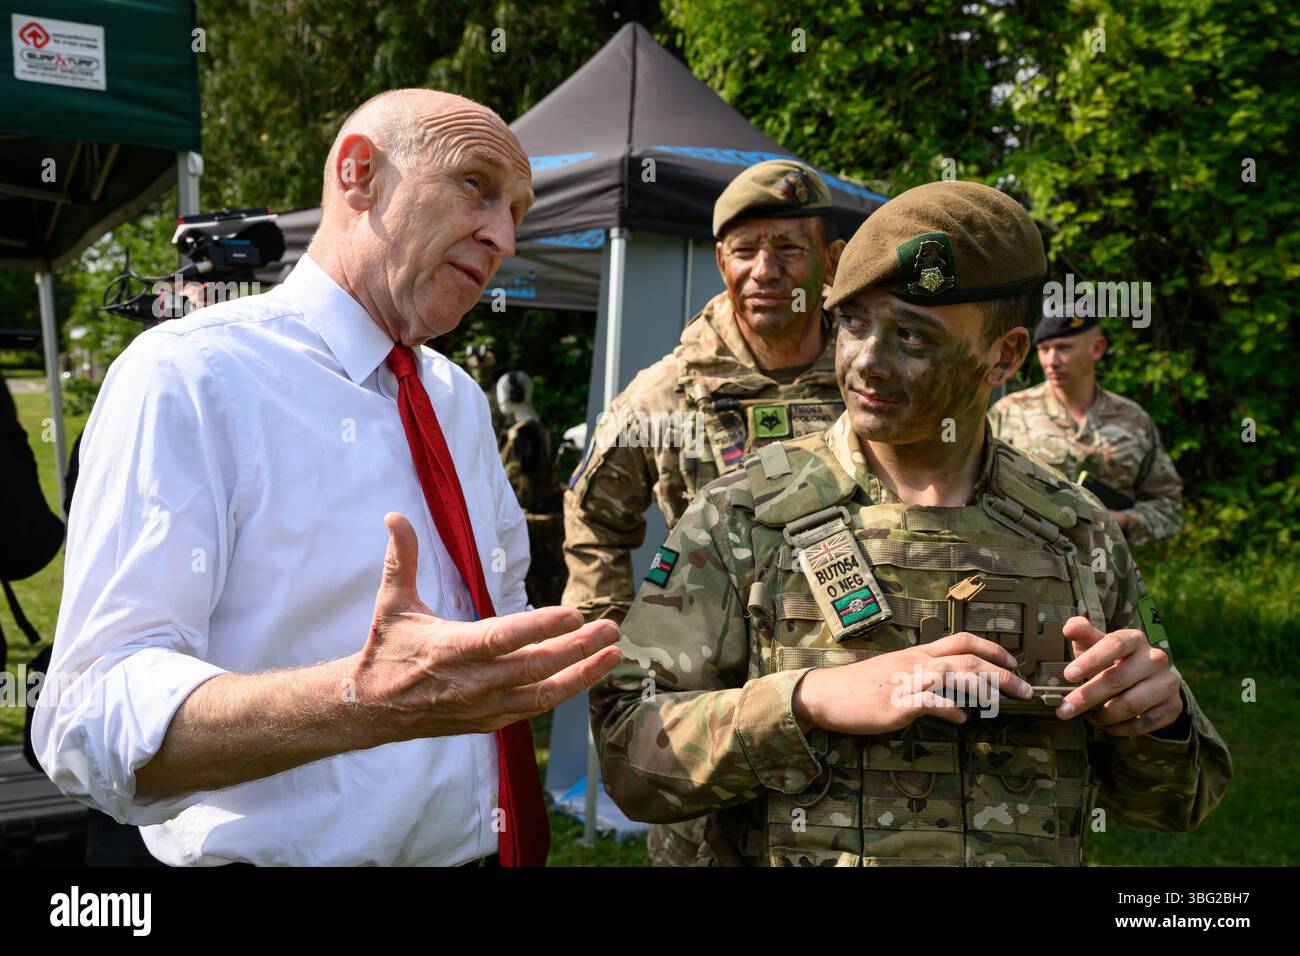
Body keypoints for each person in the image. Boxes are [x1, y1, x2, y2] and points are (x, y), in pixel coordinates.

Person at [32, 88, 622, 867]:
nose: (505, 237)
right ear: (358, 174)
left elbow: (486, 634)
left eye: (518, 210)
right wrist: (360, 701)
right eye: (477, 185)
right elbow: (87, 719)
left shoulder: (455, 400)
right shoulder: (188, 375)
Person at [591, 180, 1231, 867]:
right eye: (854, 323)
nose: (867, 361)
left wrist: (1159, 722)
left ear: (1006, 355)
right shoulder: (740, 517)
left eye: (912, 336)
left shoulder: (1079, 533)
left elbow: (1169, 802)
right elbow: (632, 758)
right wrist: (806, 700)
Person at [563, 159, 846, 865]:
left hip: (846, 687)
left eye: (788, 249)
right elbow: (595, 517)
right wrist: (612, 656)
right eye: (746, 251)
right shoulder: (668, 394)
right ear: (721, 259)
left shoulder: (868, 376)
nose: (765, 271)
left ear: (830, 259)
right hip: (708, 707)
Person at [989, 309, 1184, 547]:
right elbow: (976, 493)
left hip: (1110, 574)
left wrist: (1120, 521)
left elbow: (1168, 508)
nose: (1051, 361)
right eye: (1044, 349)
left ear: (1097, 348)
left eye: (1063, 348)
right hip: (1031, 569)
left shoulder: (1133, 420)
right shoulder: (1009, 413)